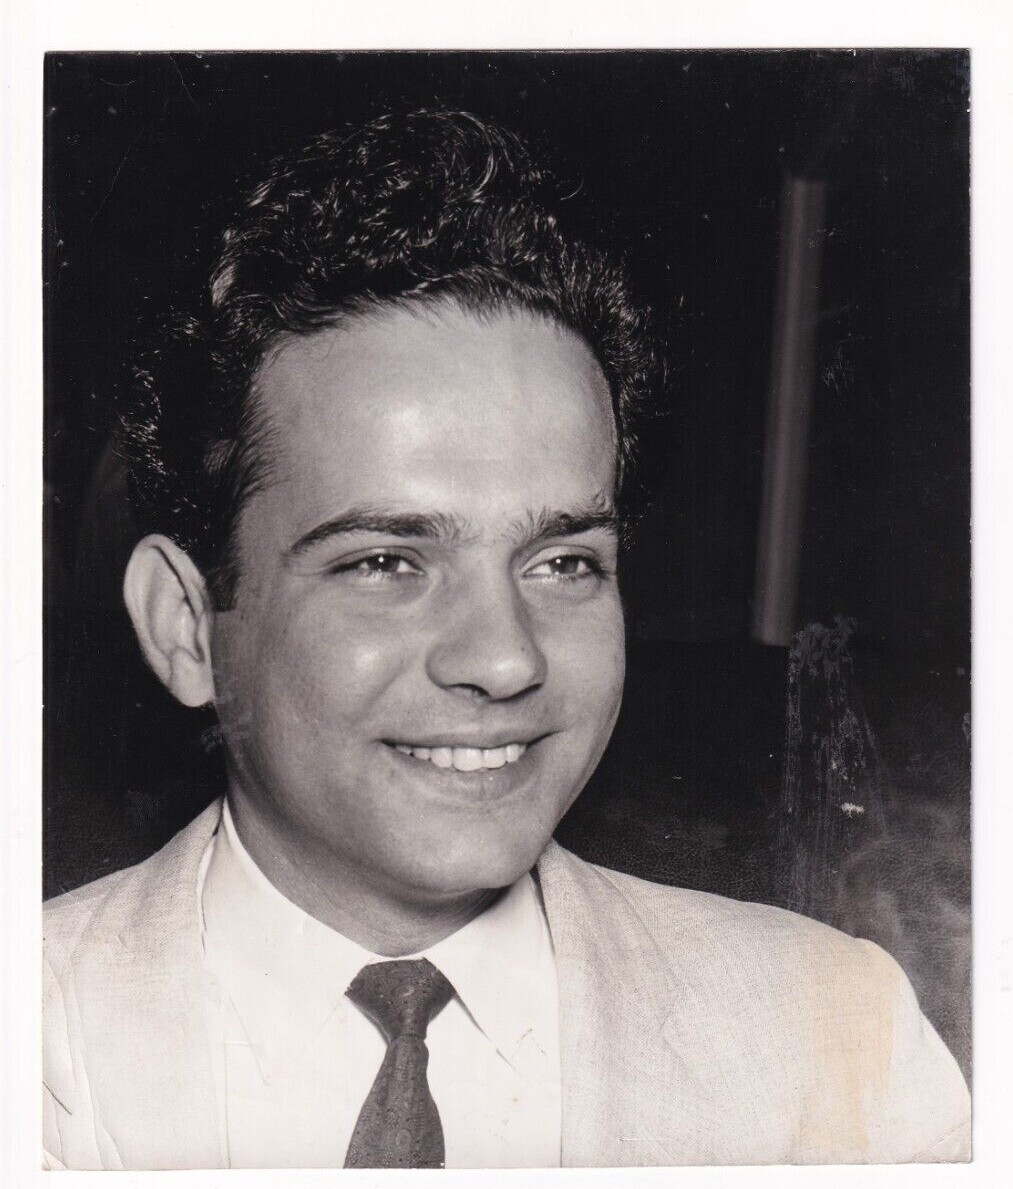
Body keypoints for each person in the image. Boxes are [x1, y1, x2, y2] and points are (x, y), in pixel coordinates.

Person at [42, 108, 970, 1170]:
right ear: (183, 628)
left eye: (562, 563)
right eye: (385, 562)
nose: (505, 659)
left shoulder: (834, 1043)